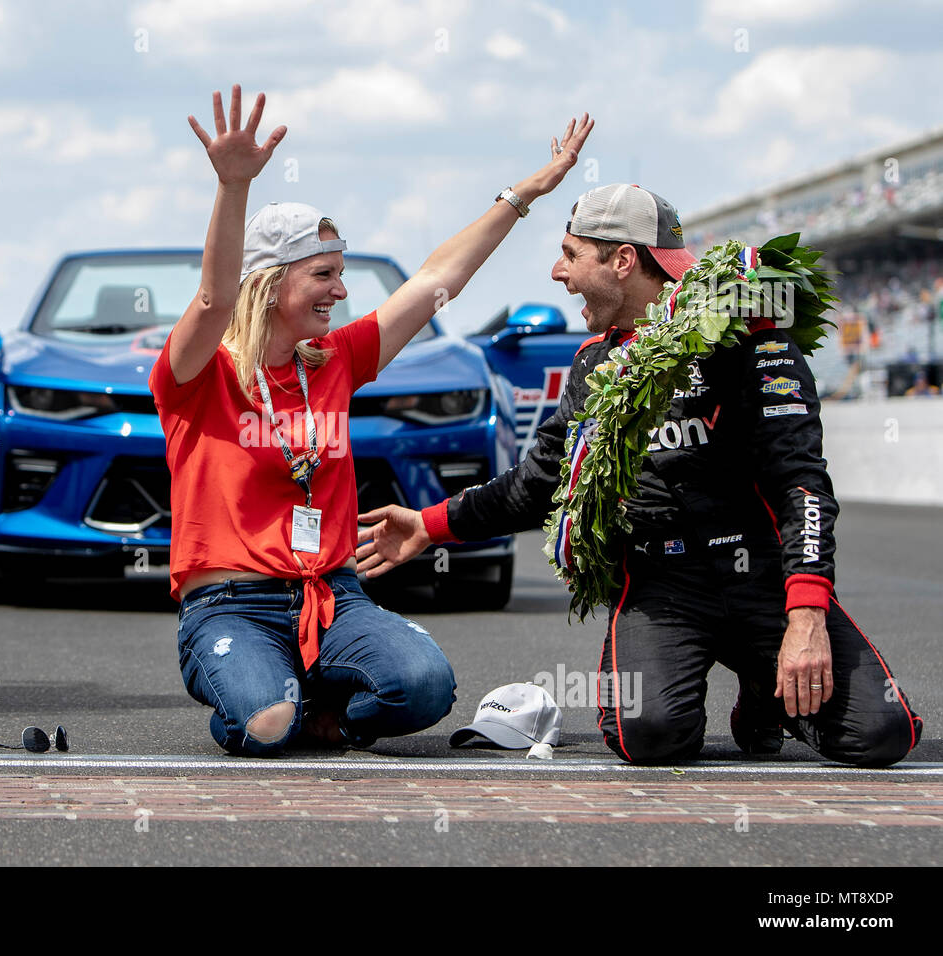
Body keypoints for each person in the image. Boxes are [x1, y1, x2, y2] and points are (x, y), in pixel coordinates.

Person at [356, 183, 923, 767]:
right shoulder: (593, 363)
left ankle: (766, 692)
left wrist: (806, 616)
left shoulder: (752, 340)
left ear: (622, 260)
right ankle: (752, 683)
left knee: (879, 734)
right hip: (662, 583)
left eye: (571, 254)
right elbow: (540, 482)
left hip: (762, 575)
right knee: (650, 737)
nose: (558, 272)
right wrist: (430, 524)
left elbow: (802, 485)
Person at [149, 85, 593, 756]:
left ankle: (320, 705)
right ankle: (266, 702)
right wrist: (232, 188)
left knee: (425, 685)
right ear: (272, 285)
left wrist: (526, 192)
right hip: (231, 603)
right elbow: (214, 300)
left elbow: (439, 278)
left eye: (341, 273)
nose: (342, 290)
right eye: (325, 274)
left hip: (332, 597)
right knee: (266, 726)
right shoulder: (196, 376)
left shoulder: (334, 359)